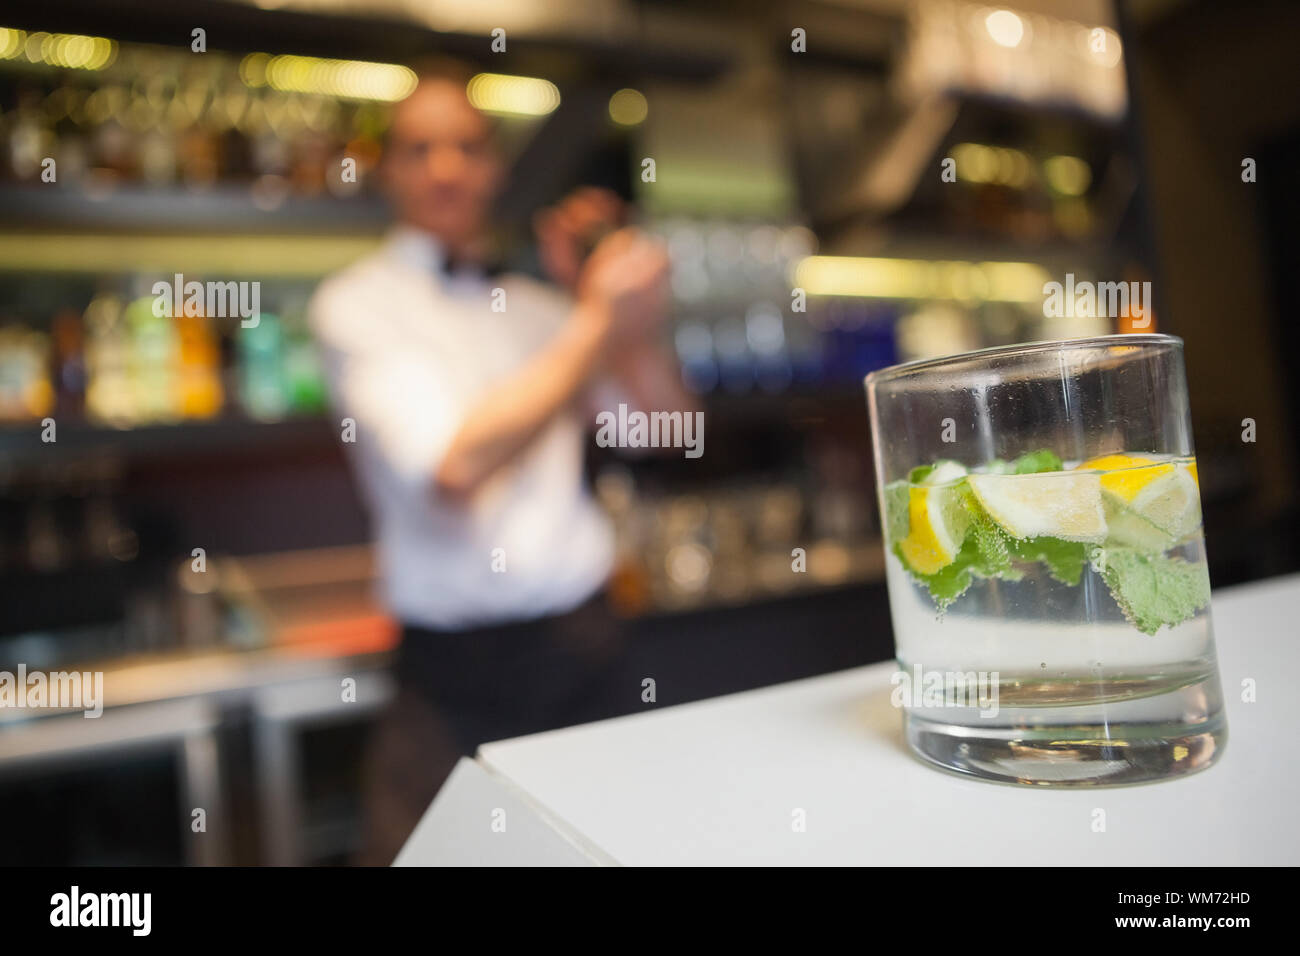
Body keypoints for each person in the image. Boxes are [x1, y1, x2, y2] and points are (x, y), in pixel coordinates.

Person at [308, 63, 690, 865]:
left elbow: (667, 429)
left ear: (494, 167)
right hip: (451, 678)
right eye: (419, 148)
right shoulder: (355, 304)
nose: (445, 167)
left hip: (587, 648)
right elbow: (452, 468)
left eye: (467, 146)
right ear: (387, 169)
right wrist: (596, 322)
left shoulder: (549, 310)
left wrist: (628, 319)